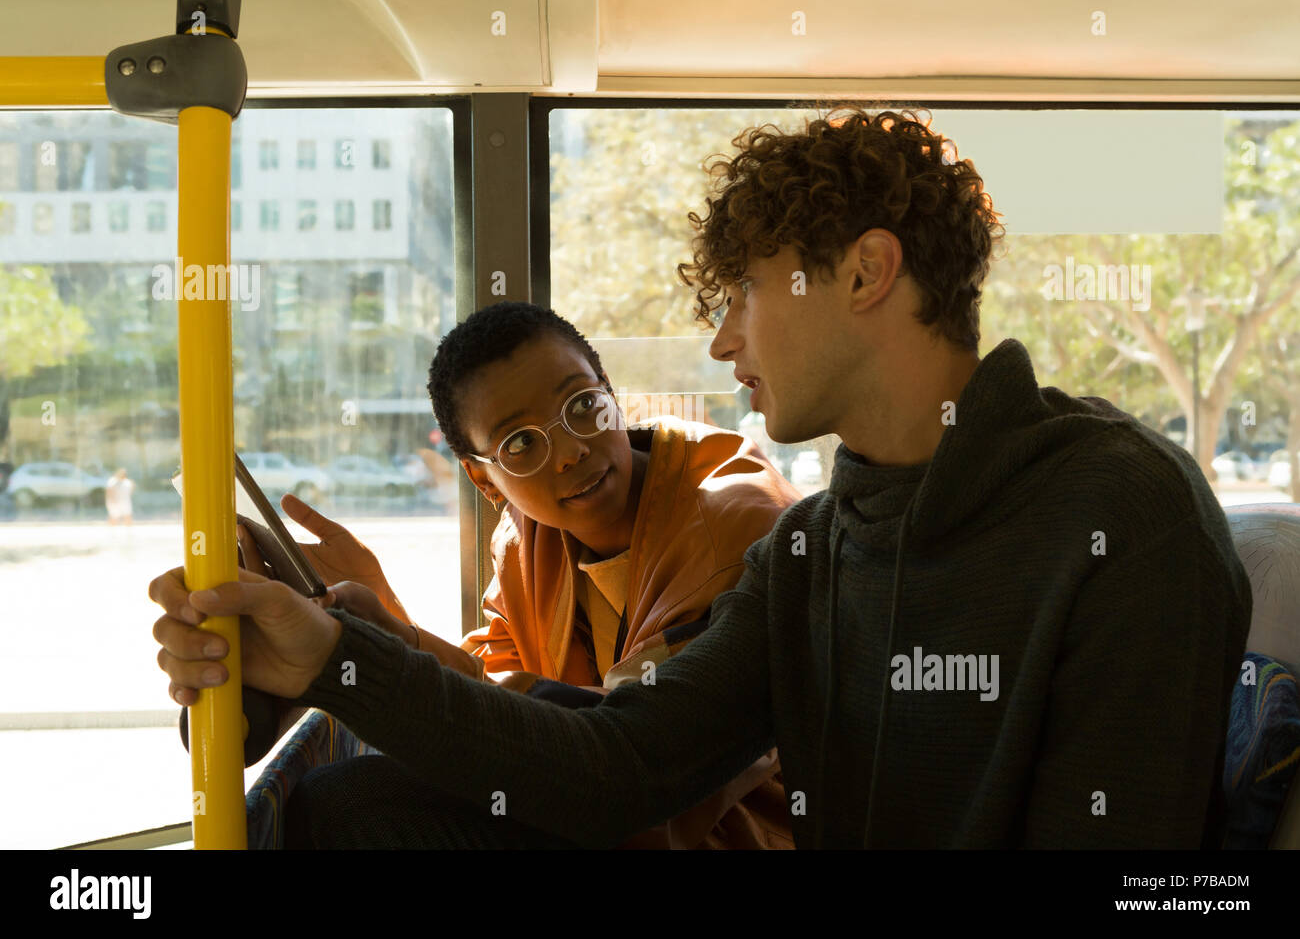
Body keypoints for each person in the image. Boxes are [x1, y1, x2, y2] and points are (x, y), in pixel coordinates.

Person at [153, 106, 1252, 848]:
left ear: (864, 273)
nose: (724, 345)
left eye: (743, 295)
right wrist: (336, 656)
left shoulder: (1118, 512)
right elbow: (618, 761)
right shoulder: (816, 548)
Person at [229, 301, 802, 848]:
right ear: (484, 482)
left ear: (614, 397)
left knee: (351, 802)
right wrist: (380, 617)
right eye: (522, 442)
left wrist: (381, 644)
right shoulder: (527, 536)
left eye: (582, 405)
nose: (570, 452)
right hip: (591, 811)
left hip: (711, 830)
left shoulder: (735, 526)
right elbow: (498, 709)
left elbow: (618, 765)